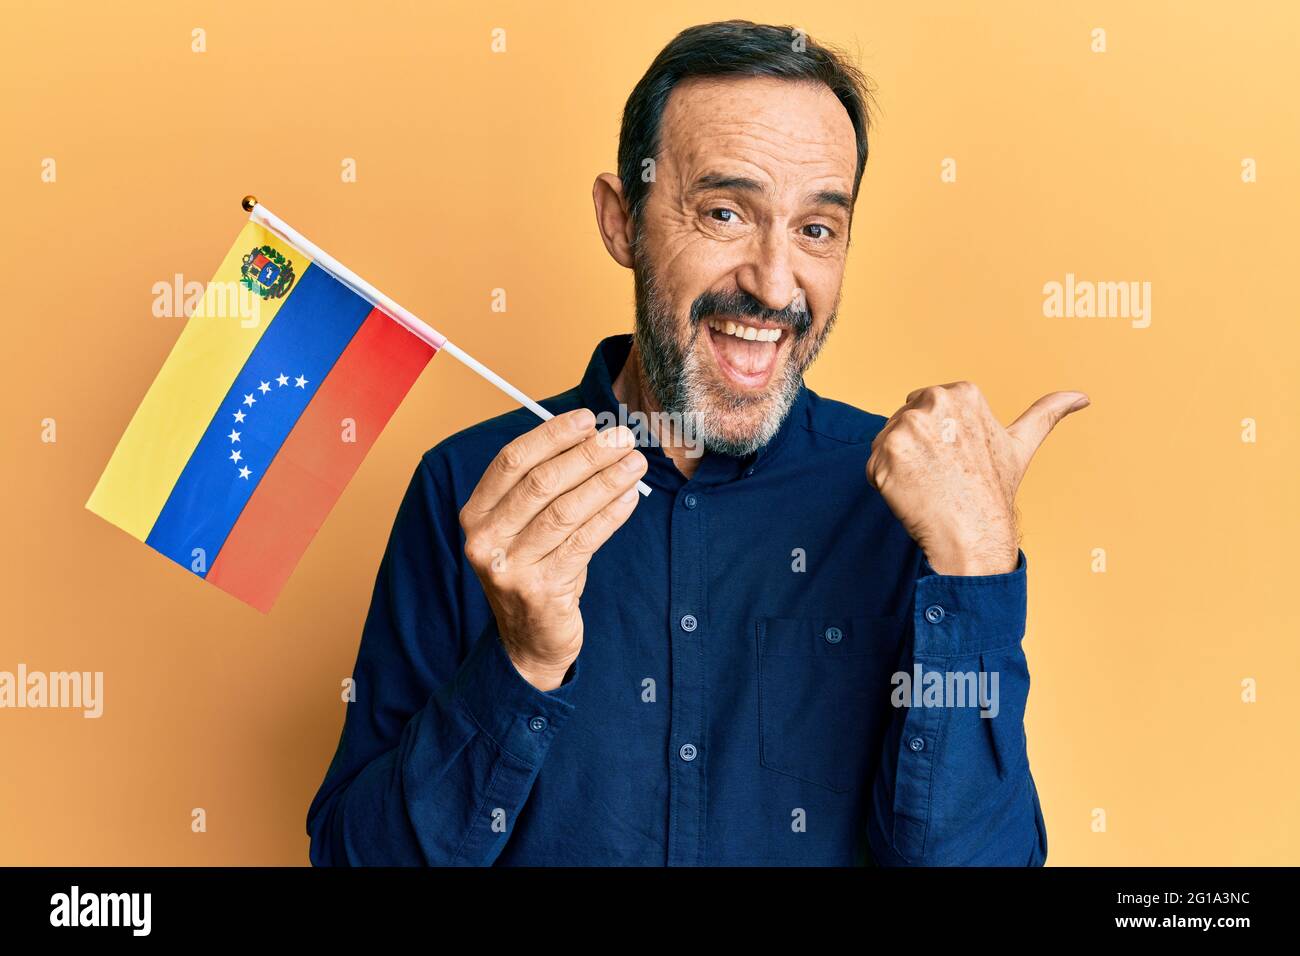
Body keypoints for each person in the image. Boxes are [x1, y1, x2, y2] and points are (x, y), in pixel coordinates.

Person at [307, 19, 1085, 866]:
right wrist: (521, 665)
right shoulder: (472, 489)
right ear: (621, 222)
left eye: (817, 229)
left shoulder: (912, 512)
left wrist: (974, 574)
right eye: (724, 212)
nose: (774, 281)